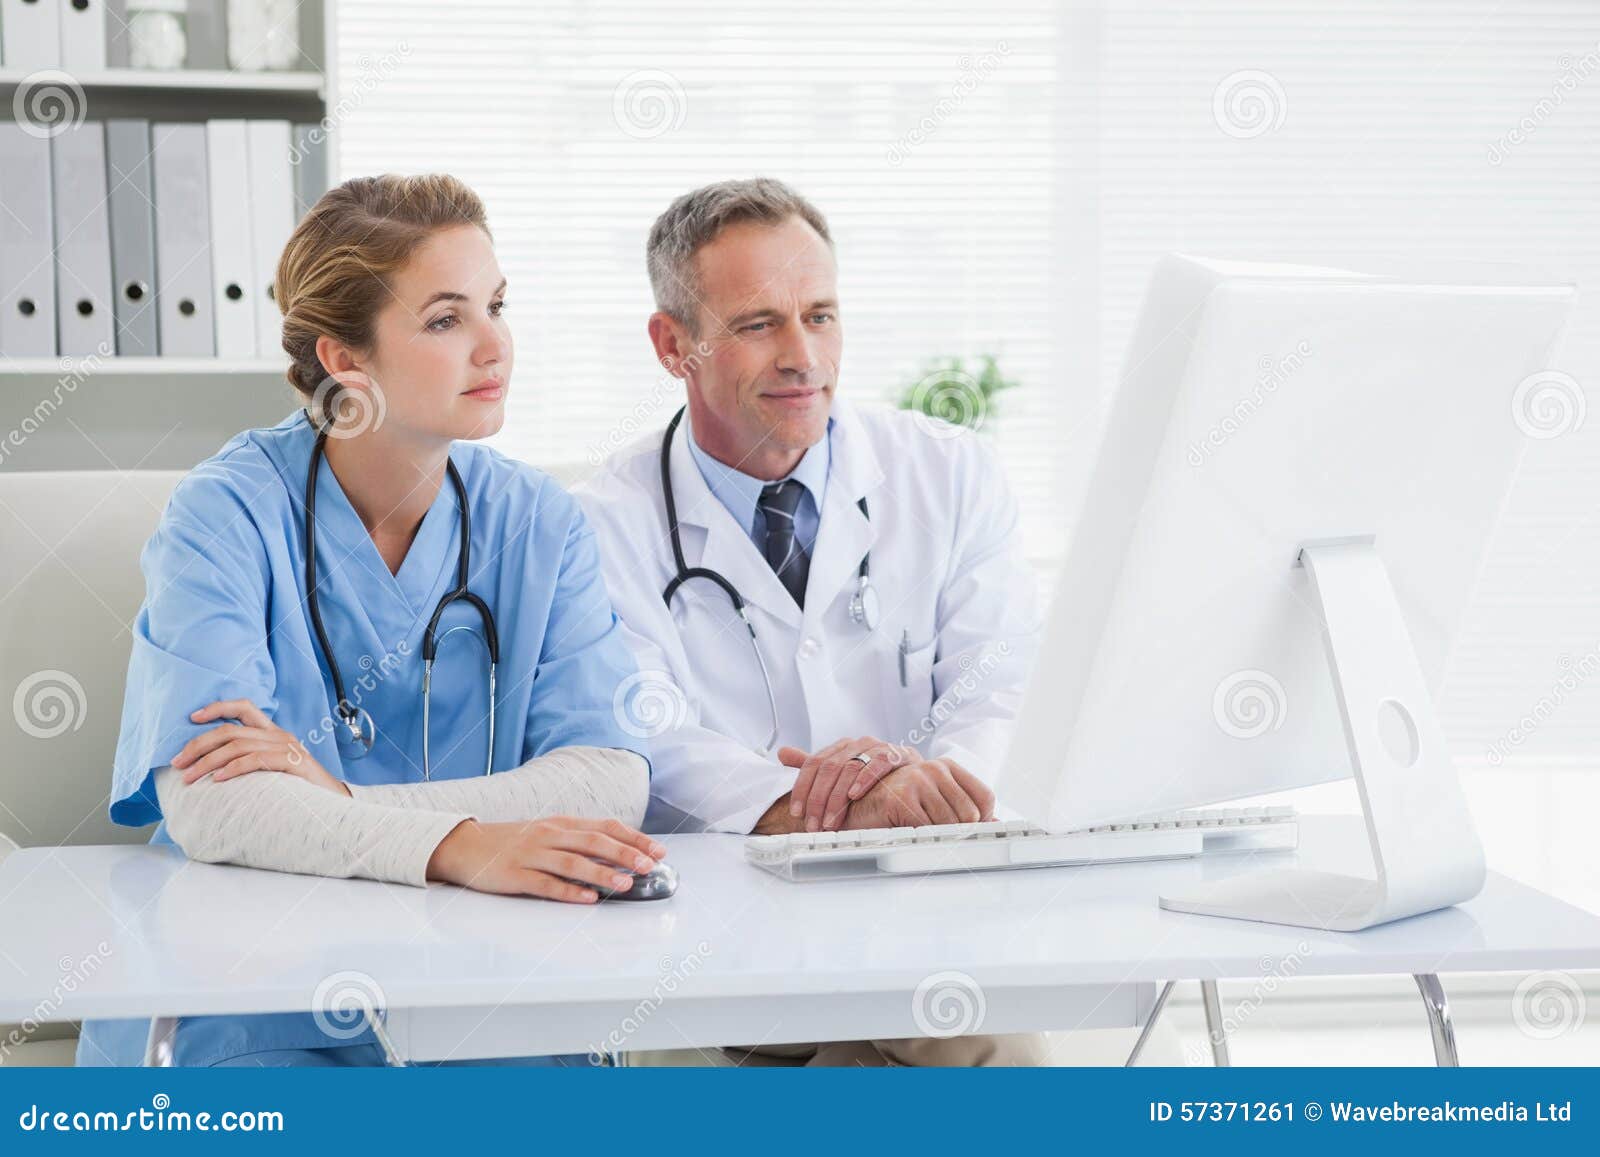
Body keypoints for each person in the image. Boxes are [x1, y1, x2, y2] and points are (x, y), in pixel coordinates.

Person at [76, 174, 662, 1068]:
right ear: (345, 358)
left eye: (497, 305)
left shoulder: (538, 520)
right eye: (446, 319)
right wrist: (463, 844)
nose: (495, 344)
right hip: (254, 983)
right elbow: (215, 801)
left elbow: (607, 781)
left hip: (485, 978)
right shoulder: (225, 515)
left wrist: (342, 801)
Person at [577, 178, 1046, 1066]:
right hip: (722, 926)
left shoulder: (951, 475)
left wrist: (930, 796)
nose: (803, 355)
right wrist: (841, 804)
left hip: (928, 903)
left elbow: (1003, 688)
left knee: (981, 1046)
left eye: (820, 316)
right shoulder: (603, 524)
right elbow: (641, 741)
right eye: (759, 324)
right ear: (673, 345)